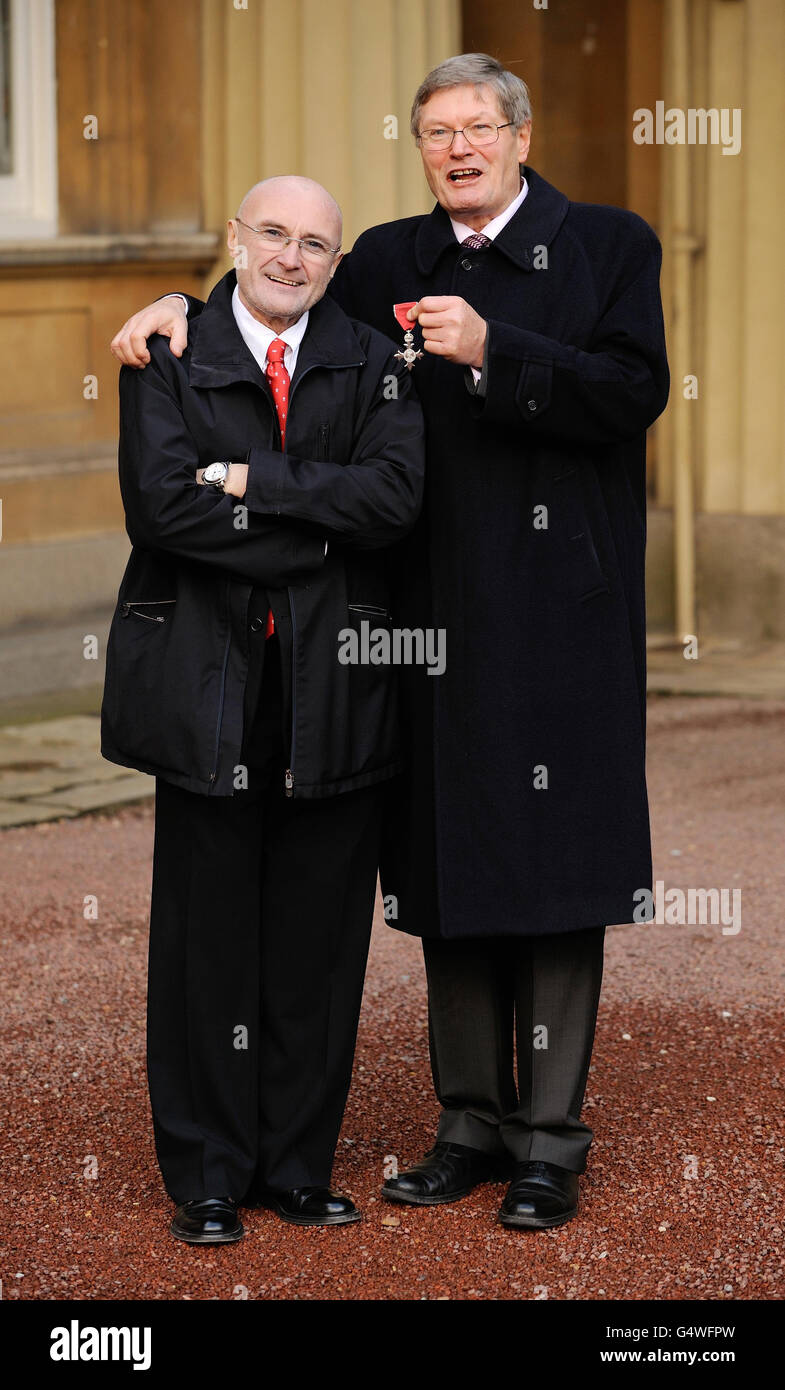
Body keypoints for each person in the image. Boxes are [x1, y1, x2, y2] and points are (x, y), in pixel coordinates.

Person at [110, 53, 669, 1230]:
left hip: (558, 608)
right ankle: (467, 1119)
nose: (456, 147)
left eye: (477, 126)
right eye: (434, 131)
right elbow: (277, 307)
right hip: (413, 616)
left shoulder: (609, 244)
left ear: (519, 135)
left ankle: (546, 1140)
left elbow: (632, 392)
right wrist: (178, 304)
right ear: (416, 147)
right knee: (440, 851)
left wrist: (493, 350)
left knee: (557, 859)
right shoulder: (381, 262)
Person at [102, 175, 424, 1244]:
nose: (291, 257)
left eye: (315, 243)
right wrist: (316, 522)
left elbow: (393, 501)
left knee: (317, 944)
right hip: (209, 690)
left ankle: (294, 1164)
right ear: (234, 239)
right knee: (205, 942)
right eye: (273, 234)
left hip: (335, 690)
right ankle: (205, 1171)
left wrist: (251, 479)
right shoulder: (169, 352)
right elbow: (165, 507)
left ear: (337, 261)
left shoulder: (375, 361)